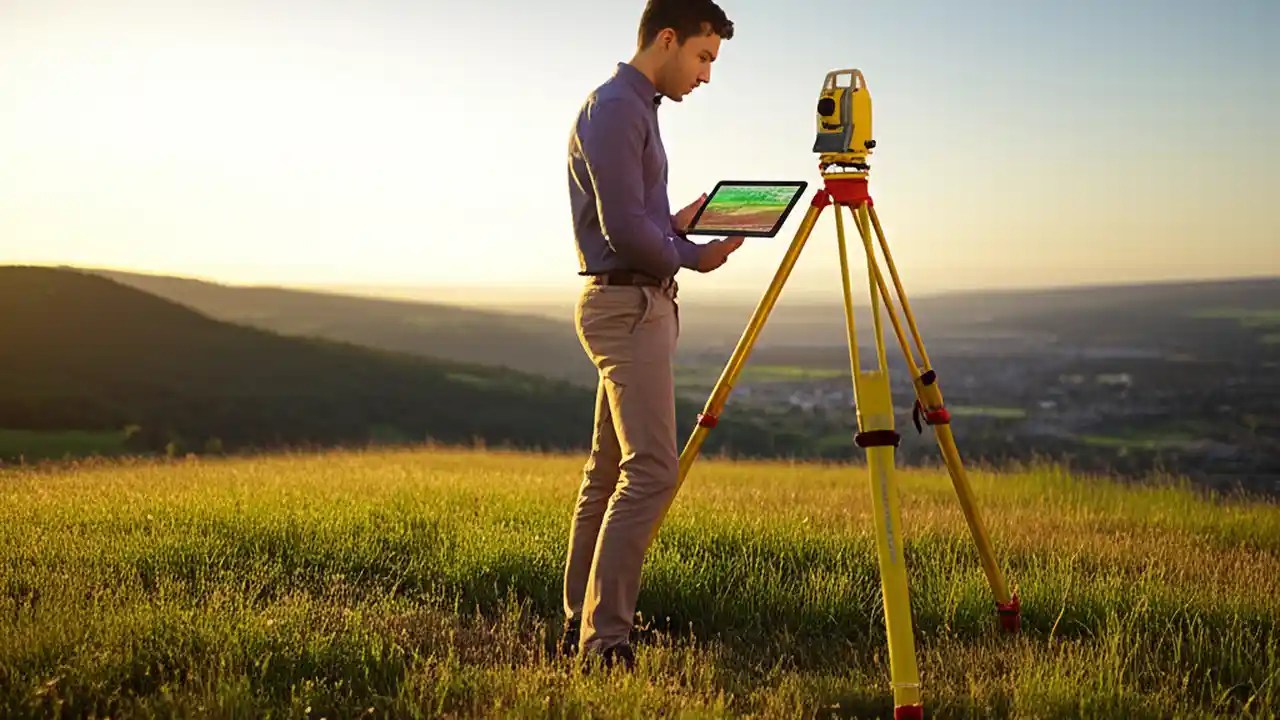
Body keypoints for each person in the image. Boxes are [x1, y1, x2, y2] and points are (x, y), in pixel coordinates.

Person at [560, 0, 741, 669]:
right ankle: (605, 643)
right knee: (653, 470)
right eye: (703, 57)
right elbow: (623, 233)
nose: (705, 75)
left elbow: (639, 221)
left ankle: (580, 623)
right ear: (667, 39)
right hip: (627, 306)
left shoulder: (629, 108)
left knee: (610, 473)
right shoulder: (616, 109)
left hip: (633, 302)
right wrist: (693, 254)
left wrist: (676, 221)